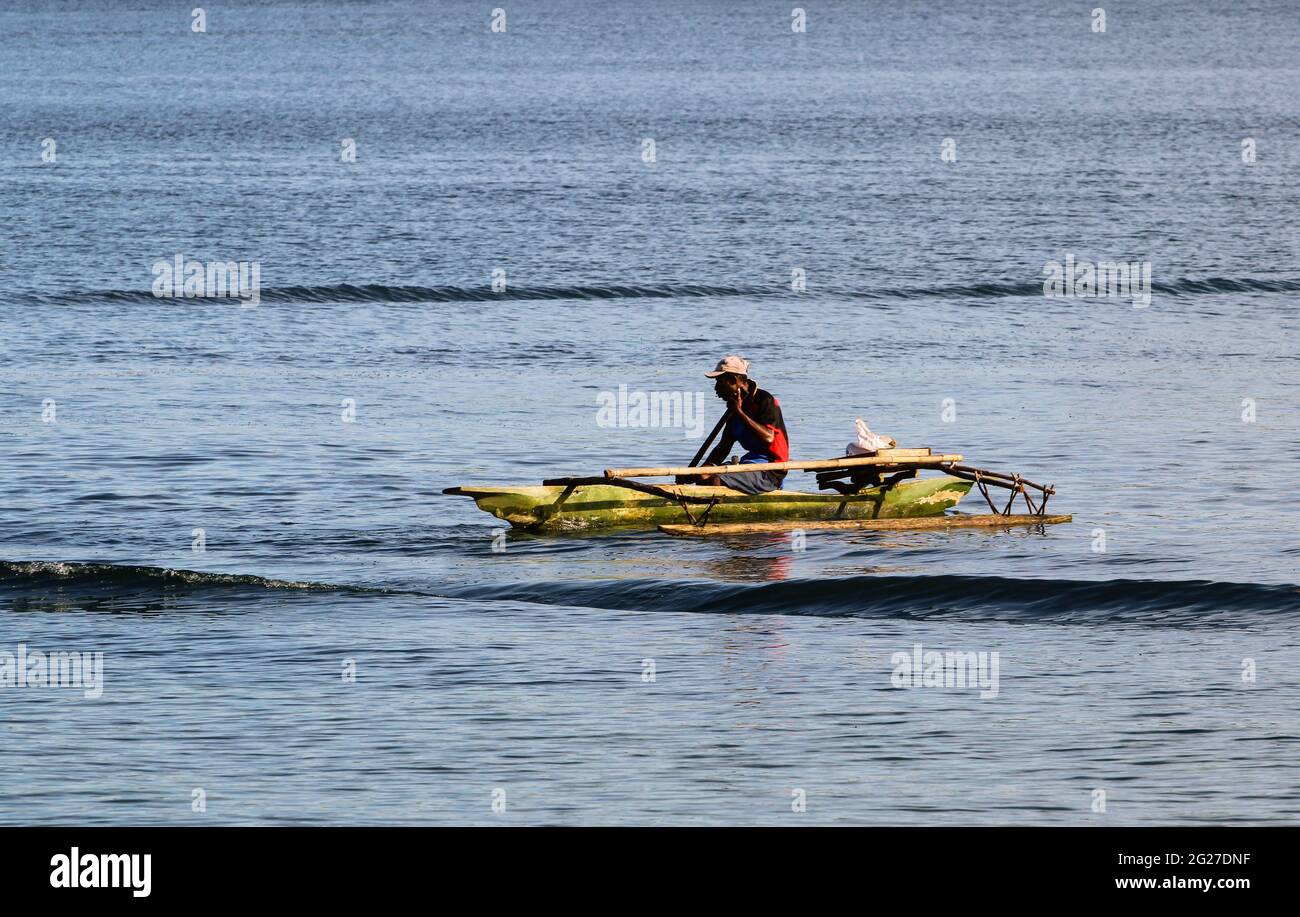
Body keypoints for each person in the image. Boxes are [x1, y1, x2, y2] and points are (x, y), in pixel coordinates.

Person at [689, 355, 790, 493]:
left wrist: (739, 413)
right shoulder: (734, 409)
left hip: (771, 470)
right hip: (750, 464)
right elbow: (723, 447)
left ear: (733, 380)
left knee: (714, 481)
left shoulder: (764, 401)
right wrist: (697, 472)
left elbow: (768, 438)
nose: (716, 389)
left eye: (720, 382)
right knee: (702, 477)